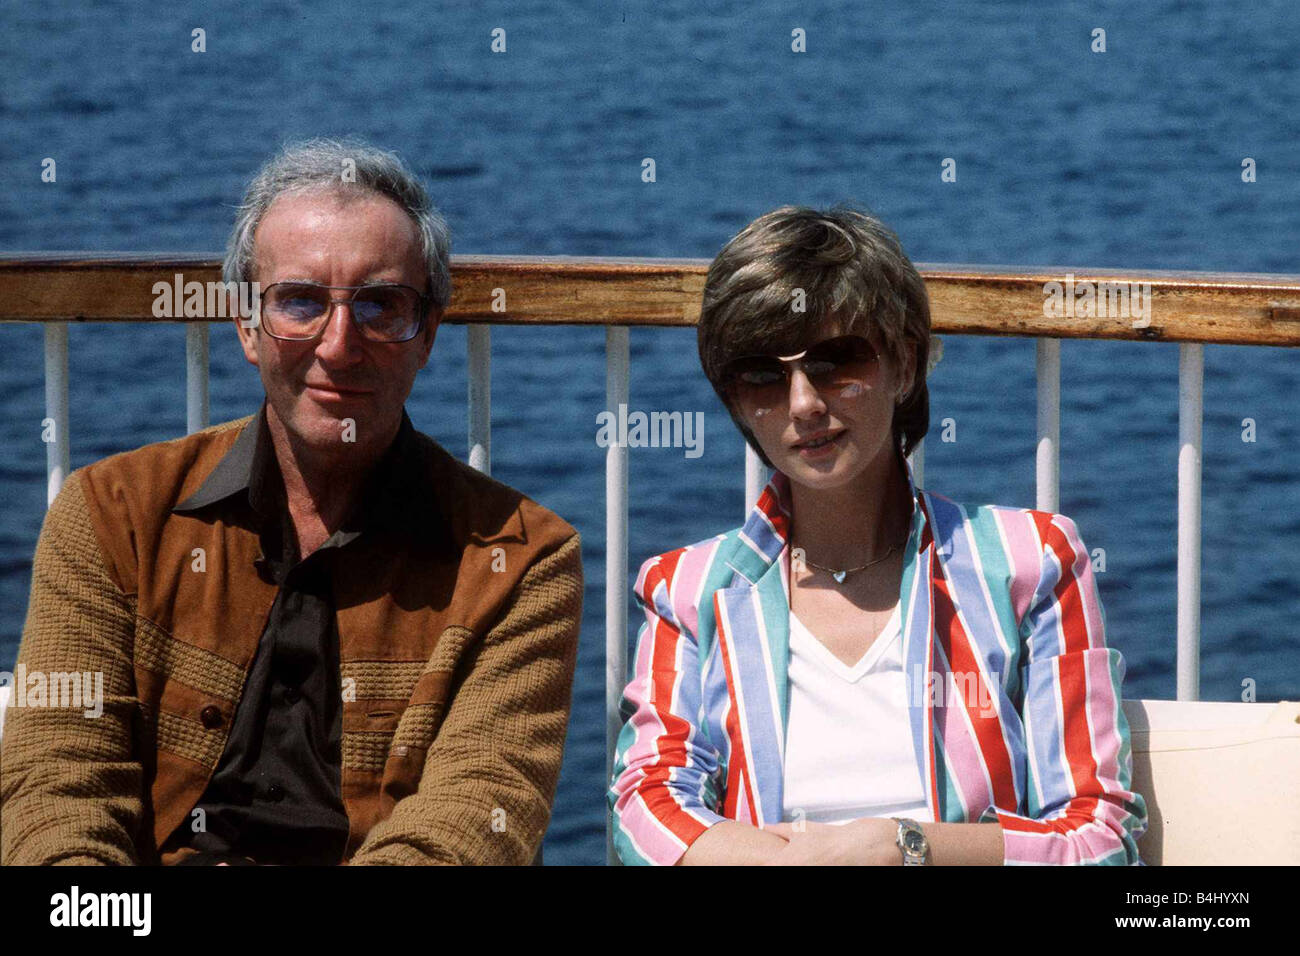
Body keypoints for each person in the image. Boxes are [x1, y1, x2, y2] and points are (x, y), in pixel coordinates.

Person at [0, 139, 583, 865]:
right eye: (300, 301)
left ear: (426, 333)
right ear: (246, 325)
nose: (340, 345)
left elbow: (469, 824)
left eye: (381, 305)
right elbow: (57, 784)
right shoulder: (112, 516)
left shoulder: (520, 560)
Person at [608, 205, 1147, 865]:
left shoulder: (1029, 565)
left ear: (904, 363)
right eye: (763, 375)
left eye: (836, 362)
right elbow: (644, 807)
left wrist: (903, 848)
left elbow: (1099, 841)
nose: (804, 402)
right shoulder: (690, 592)